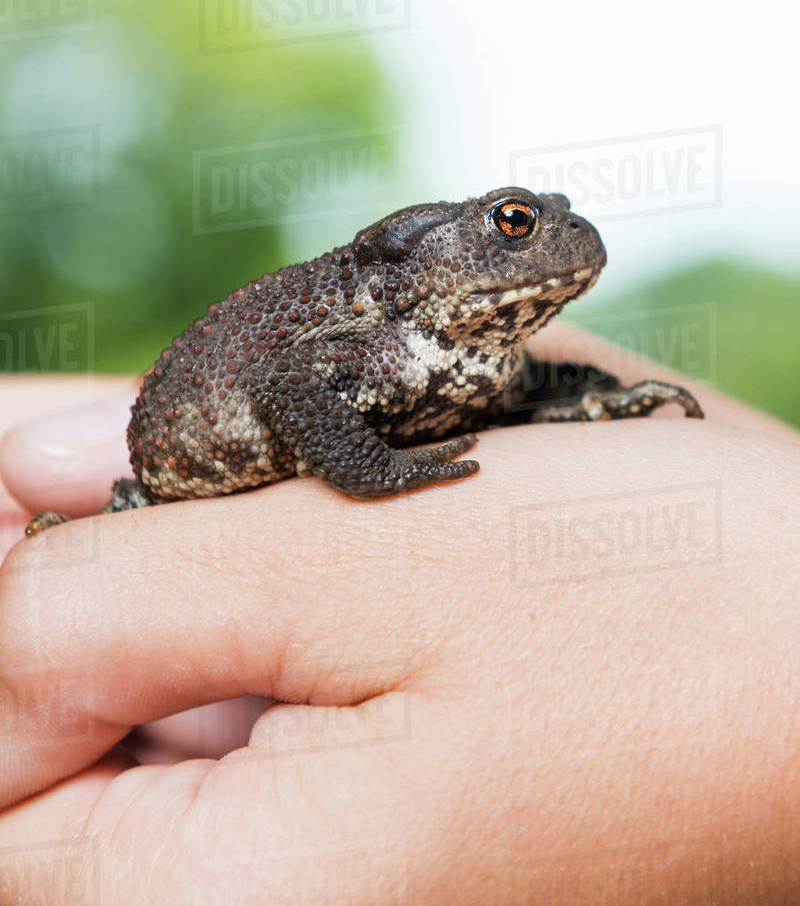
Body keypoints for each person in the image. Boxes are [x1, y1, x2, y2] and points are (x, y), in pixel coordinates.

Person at [0, 322, 798, 905]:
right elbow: (285, 384)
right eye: (515, 223)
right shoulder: (386, 329)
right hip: (189, 465)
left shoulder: (470, 349)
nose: (550, 234)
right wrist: (372, 468)